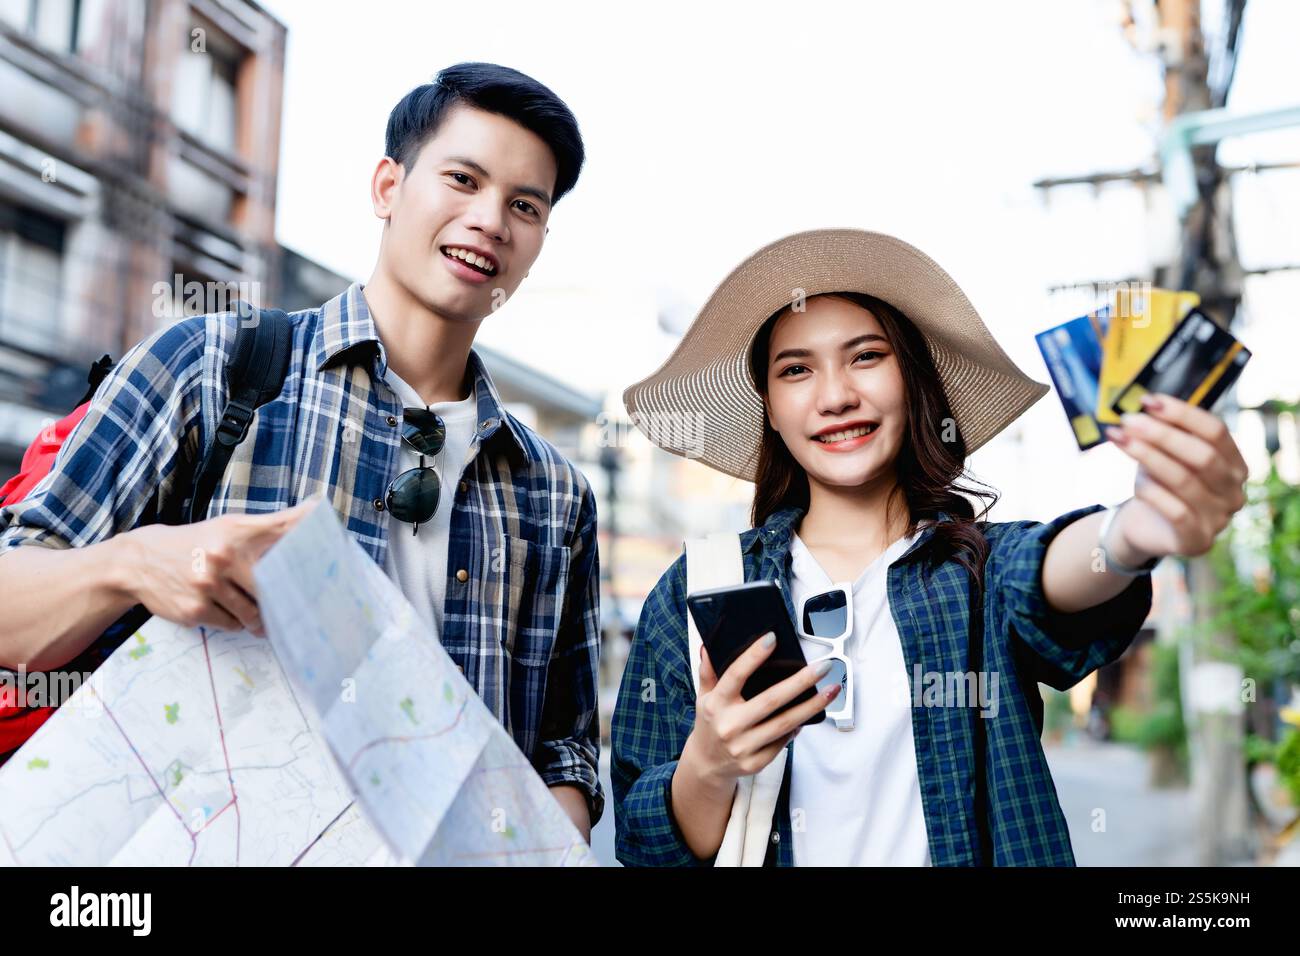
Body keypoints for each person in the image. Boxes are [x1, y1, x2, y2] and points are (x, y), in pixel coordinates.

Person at [0, 63, 601, 837]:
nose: (490, 219)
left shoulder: (555, 493)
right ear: (388, 187)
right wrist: (134, 562)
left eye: (525, 205)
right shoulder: (212, 367)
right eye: (462, 179)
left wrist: (551, 839)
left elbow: (565, 751)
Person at [612, 229, 1248, 865]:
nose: (835, 397)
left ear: (912, 380)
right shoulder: (699, 586)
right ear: (771, 408)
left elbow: (1051, 570)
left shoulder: (977, 570)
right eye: (797, 369)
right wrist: (710, 765)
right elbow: (647, 848)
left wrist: (1137, 528)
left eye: (866, 357)